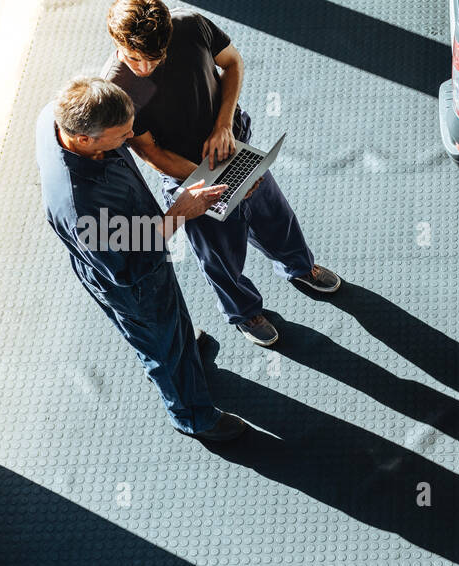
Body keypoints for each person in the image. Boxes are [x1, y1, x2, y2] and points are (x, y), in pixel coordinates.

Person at [103, 0, 342, 348]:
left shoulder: (191, 25)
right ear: (117, 41)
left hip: (233, 145)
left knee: (277, 218)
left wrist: (223, 125)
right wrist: (224, 182)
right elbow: (151, 152)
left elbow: (232, 63)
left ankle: (299, 267)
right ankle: (244, 312)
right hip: (189, 178)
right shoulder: (116, 89)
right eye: (133, 57)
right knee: (220, 257)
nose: (143, 68)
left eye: (154, 59)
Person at [36, 76, 246, 441]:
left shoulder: (57, 116)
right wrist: (179, 214)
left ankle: (183, 348)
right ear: (85, 139)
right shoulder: (80, 207)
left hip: (137, 243)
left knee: (172, 322)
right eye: (122, 137)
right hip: (130, 279)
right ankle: (193, 417)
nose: (130, 140)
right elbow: (127, 265)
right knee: (159, 346)